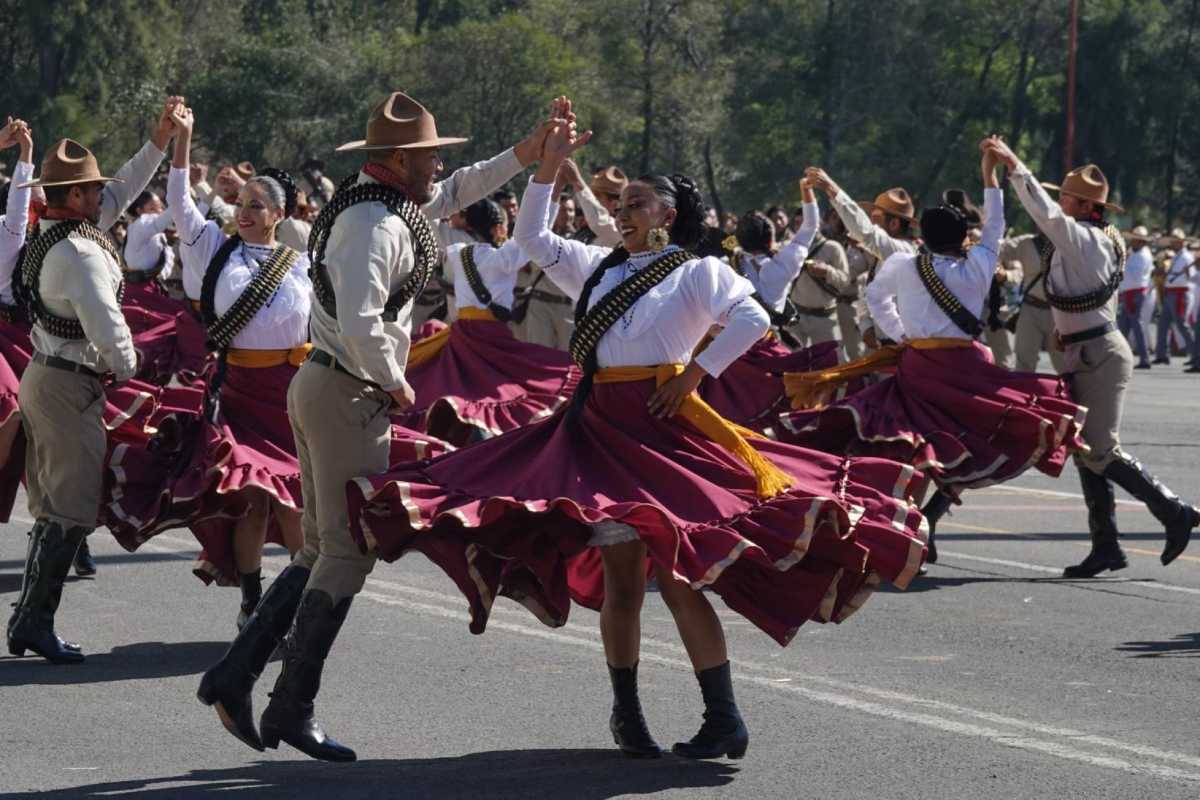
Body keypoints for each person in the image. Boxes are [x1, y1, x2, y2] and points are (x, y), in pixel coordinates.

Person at [342, 104, 927, 763]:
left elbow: (754, 318)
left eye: (638, 201)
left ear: (667, 214)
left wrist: (695, 374)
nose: (623, 208)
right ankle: (629, 715)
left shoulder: (697, 270)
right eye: (620, 201)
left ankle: (724, 716)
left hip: (663, 436)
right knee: (623, 587)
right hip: (598, 436)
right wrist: (552, 164)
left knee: (680, 578)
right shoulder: (594, 264)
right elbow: (533, 237)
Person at [196, 90, 557, 761]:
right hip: (348, 389)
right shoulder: (376, 224)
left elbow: (455, 192)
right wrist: (394, 379)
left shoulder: (379, 204)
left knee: (323, 547)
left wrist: (525, 156)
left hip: (329, 383)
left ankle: (234, 678)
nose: (433, 169)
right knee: (346, 552)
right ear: (399, 159)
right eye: (425, 157)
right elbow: (363, 317)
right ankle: (288, 706)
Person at [779, 138, 1087, 565]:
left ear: (920, 233)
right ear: (965, 238)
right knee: (973, 441)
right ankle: (922, 528)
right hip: (969, 368)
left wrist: (899, 334)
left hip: (920, 366)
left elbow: (876, 295)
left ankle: (905, 529)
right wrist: (989, 177)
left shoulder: (905, 263)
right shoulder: (979, 263)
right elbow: (996, 222)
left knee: (912, 449)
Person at [6, 98, 180, 663]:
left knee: (57, 504)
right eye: (92, 189)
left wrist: (158, 141)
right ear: (74, 197)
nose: (103, 194)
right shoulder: (81, 252)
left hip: (49, 376)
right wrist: (129, 368)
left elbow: (125, 187)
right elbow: (109, 327)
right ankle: (34, 621)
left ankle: (29, 618)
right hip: (68, 383)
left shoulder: (59, 231)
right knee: (73, 507)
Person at [985, 137, 1200, 577]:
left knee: (1101, 450)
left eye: (1065, 195)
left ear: (1082, 206)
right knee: (1083, 449)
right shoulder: (1094, 237)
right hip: (1087, 347)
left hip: (1099, 354)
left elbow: (1043, 213)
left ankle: (1173, 511)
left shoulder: (1085, 239)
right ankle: (1106, 546)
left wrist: (1013, 165)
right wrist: (1070, 331)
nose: (1058, 200)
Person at [394, 196, 579, 445]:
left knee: (462, 384)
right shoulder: (503, 259)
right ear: (497, 228)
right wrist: (553, 197)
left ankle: (459, 430)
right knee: (501, 386)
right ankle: (489, 435)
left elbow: (434, 231)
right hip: (491, 335)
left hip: (461, 332)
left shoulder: (457, 253)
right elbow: (535, 233)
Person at [805, 169, 920, 350]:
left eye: (875, 219)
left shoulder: (904, 251)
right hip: (884, 343)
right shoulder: (883, 253)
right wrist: (866, 325)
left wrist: (832, 188)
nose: (871, 223)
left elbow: (867, 234)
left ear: (894, 224)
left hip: (901, 346)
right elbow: (870, 291)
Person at [1154, 228, 1193, 364]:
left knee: (1182, 325)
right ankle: (1161, 354)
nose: (1173, 243)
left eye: (1176, 241)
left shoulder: (1186, 257)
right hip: (1171, 293)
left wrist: (1168, 276)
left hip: (1179, 294)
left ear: (1181, 243)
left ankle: (1195, 355)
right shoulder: (1177, 256)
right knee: (1162, 324)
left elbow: (1190, 277)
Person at [1118, 226, 1154, 368]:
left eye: (1134, 240)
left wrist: (1123, 263)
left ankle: (1144, 358)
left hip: (1135, 293)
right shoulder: (1136, 253)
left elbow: (1133, 276)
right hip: (1130, 292)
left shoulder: (1143, 255)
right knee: (1124, 327)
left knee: (1135, 326)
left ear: (1140, 241)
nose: (1131, 242)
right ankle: (1121, 358)